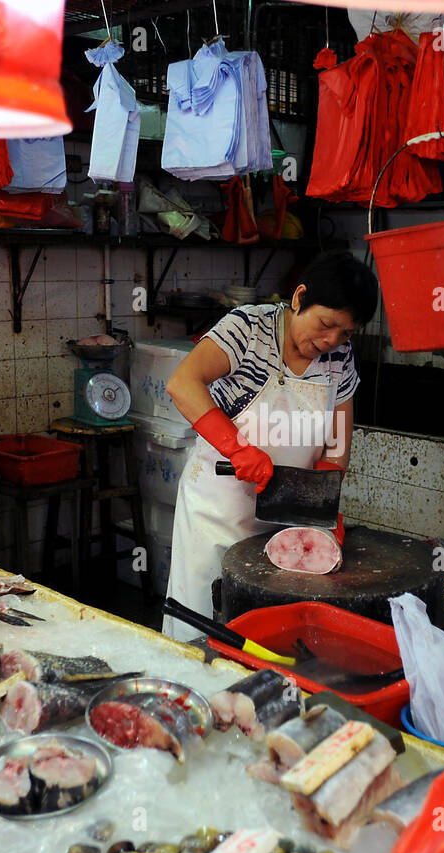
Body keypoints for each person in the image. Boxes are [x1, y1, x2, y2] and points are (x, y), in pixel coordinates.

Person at [162, 251, 379, 641]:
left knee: (268, 637)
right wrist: (239, 449)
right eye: (326, 324)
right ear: (299, 298)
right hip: (219, 512)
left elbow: (338, 435)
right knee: (205, 628)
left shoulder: (339, 357)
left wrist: (322, 501)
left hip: (288, 520)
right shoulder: (248, 329)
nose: (331, 341)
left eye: (345, 333)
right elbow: (183, 383)